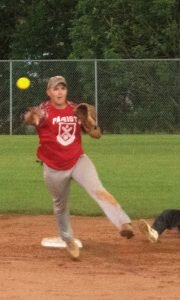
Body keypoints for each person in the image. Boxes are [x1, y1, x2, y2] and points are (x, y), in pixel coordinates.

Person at [23, 75, 134, 260]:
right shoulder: (43, 111)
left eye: (62, 88)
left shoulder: (76, 109)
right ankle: (68, 240)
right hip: (53, 167)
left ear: (66, 91)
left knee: (98, 189)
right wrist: (31, 117)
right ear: (49, 92)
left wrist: (89, 122)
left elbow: (97, 135)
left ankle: (123, 223)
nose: (59, 92)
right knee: (60, 206)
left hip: (78, 160)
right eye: (55, 89)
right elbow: (30, 118)